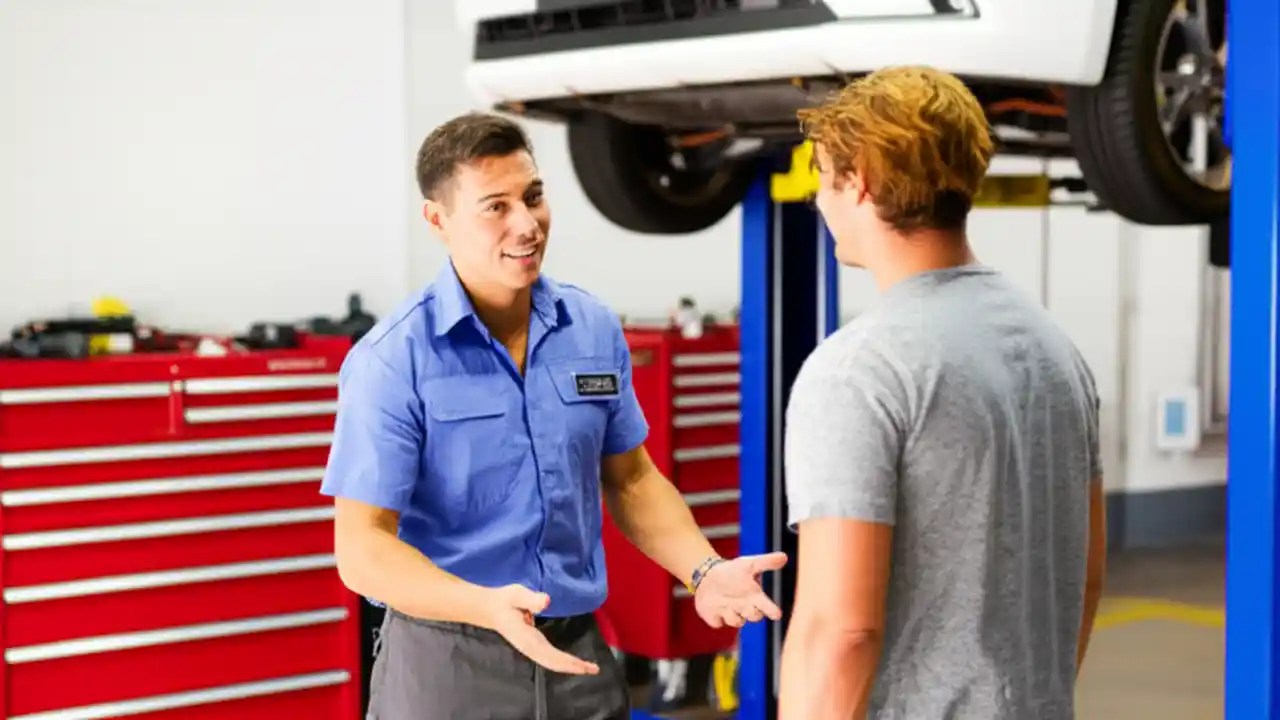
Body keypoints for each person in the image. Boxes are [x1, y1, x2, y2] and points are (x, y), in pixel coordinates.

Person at [320, 112, 787, 720]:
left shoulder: (590, 327)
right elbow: (362, 548)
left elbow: (632, 478)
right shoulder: (392, 359)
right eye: (495, 207)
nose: (526, 224)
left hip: (578, 658)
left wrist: (702, 569)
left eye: (533, 197)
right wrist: (481, 606)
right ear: (438, 220)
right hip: (449, 666)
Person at [776, 66, 1107, 719]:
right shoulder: (1054, 349)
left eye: (824, 175)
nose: (819, 198)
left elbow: (841, 630)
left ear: (861, 182)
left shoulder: (857, 371)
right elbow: (1084, 575)